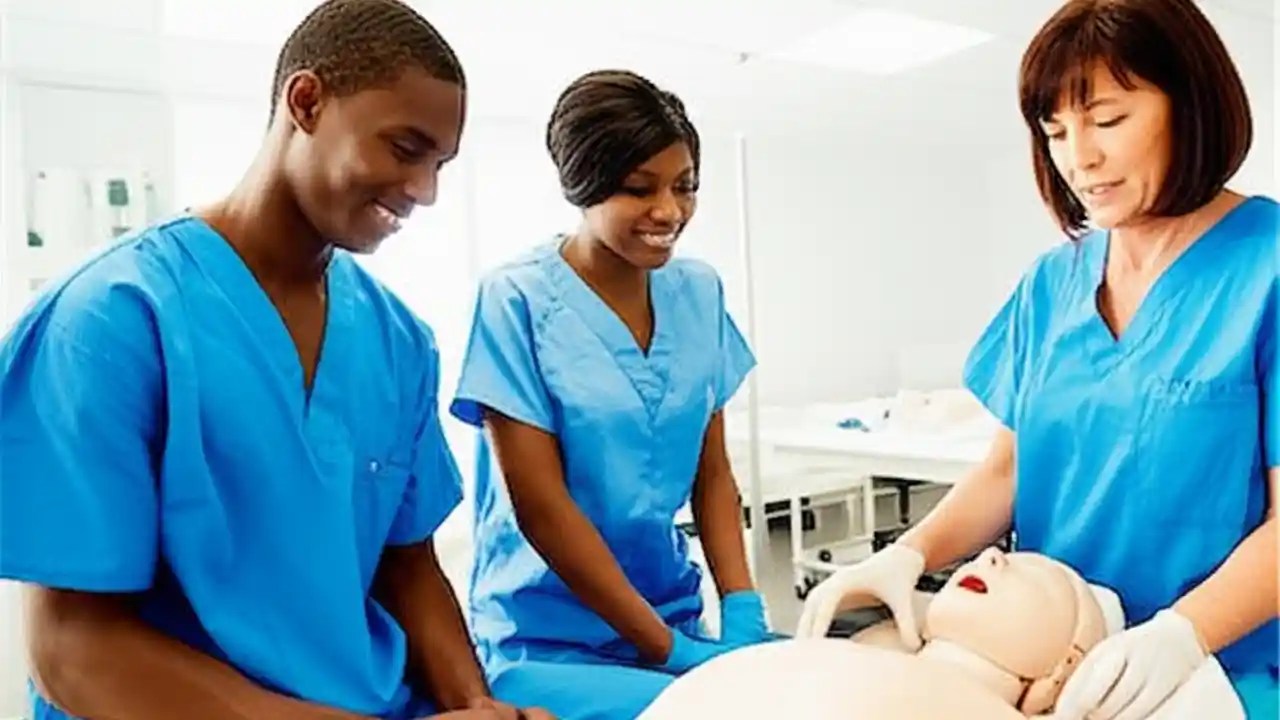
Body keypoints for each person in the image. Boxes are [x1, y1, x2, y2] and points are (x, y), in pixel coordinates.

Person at [0, 1, 548, 718]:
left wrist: (478, 706)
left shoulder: (398, 341)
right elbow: (72, 651)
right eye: (404, 149)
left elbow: (407, 564)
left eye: (439, 164)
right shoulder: (111, 320)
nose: (425, 191)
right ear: (307, 102)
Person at [797, 1, 1278, 719]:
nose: (1079, 158)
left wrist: (1184, 633)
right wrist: (910, 553)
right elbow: (1008, 470)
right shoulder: (1052, 284)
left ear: (1192, 104)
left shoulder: (1267, 268)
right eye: (1055, 132)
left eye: (1107, 120)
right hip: (1047, 665)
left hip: (1221, 672)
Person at [449, 69, 768, 719]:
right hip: (545, 637)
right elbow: (541, 508)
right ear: (583, 185)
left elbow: (711, 473)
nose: (669, 211)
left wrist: (742, 610)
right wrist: (670, 653)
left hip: (671, 610)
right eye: (638, 189)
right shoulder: (517, 298)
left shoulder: (698, 291)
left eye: (685, 186)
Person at [641, 548, 1115, 719]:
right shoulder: (863, 655)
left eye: (1037, 577)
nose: (991, 555)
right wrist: (912, 548)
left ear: (1064, 667)